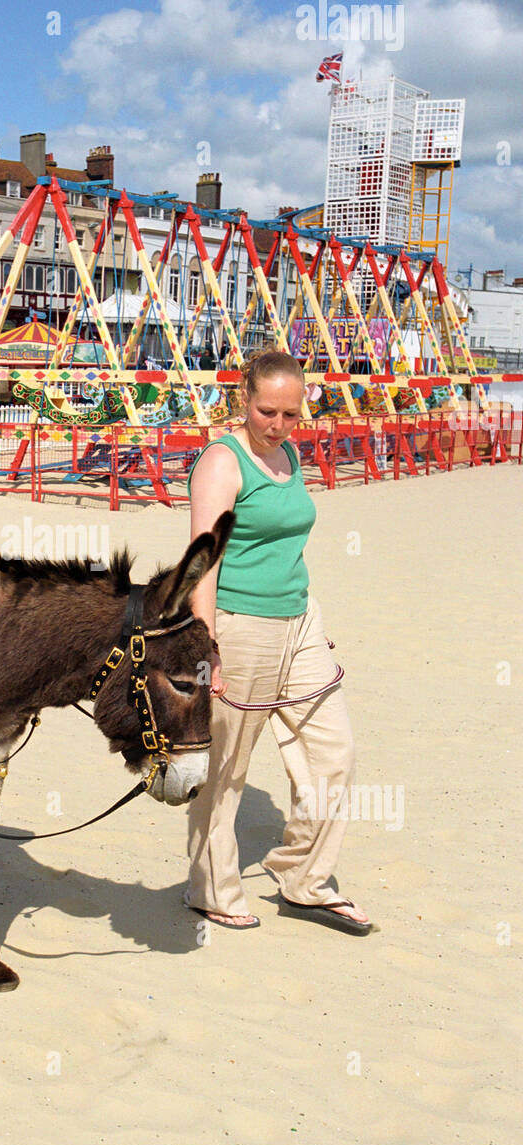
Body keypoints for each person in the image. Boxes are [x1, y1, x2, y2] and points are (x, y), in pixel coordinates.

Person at [186, 348, 371, 934]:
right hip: (239, 625)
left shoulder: (289, 453)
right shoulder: (223, 461)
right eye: (268, 411)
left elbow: (287, 543)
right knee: (227, 766)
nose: (279, 425)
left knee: (333, 752)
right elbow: (201, 563)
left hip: (300, 620)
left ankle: (304, 878)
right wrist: (205, 644)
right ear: (244, 398)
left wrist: (307, 619)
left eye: (292, 415)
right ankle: (211, 888)